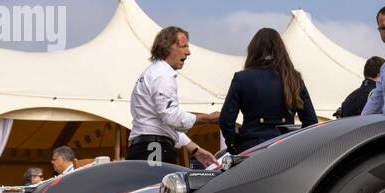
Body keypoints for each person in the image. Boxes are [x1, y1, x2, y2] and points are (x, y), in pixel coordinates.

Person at [129, 26, 218, 165]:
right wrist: (207, 118)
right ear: (168, 48)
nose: (188, 52)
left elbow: (163, 125)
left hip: (147, 146)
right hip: (154, 148)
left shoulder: (152, 72)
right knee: (157, 186)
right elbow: (171, 117)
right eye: (184, 46)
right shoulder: (163, 76)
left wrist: (195, 149)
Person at [219, 28, 317, 153]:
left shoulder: (242, 78)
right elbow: (311, 122)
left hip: (252, 147)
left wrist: (234, 145)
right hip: (288, 147)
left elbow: (226, 121)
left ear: (253, 50)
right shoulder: (294, 78)